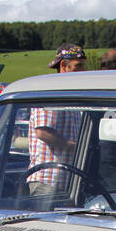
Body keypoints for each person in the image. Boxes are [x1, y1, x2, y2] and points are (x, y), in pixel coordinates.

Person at [28, 44, 85, 199]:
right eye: (78, 66)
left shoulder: (69, 95)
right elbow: (42, 132)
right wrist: (75, 147)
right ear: (63, 66)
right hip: (48, 180)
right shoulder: (51, 91)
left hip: (65, 180)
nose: (82, 71)